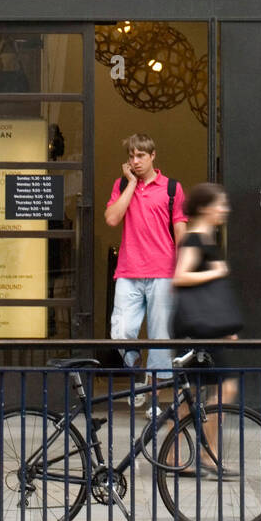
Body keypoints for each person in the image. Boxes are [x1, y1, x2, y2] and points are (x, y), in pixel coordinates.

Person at [104, 134, 186, 384]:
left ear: (152, 156)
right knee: (121, 331)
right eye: (131, 156)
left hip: (163, 270)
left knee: (160, 339)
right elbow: (112, 219)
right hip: (128, 271)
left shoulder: (172, 188)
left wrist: (183, 269)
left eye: (140, 155)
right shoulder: (121, 185)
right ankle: (135, 365)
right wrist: (130, 184)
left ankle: (153, 400)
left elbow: (180, 230)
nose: (135, 161)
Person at [173, 183, 240, 404]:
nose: (224, 209)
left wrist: (223, 327)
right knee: (208, 392)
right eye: (219, 205)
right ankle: (205, 441)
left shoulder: (208, 239)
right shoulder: (194, 239)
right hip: (193, 329)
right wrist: (215, 272)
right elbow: (180, 277)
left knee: (197, 396)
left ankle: (202, 440)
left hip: (203, 328)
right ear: (204, 208)